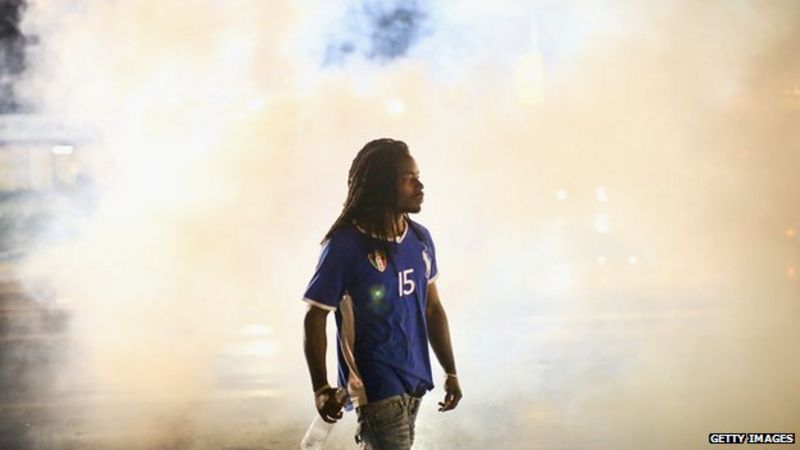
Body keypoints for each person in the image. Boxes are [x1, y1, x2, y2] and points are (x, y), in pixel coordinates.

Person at [302, 138, 462, 449]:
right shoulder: (345, 245)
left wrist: (450, 371)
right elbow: (315, 315)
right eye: (409, 178)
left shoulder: (420, 239)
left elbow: (432, 308)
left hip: (414, 379)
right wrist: (320, 387)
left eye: (418, 176)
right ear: (382, 186)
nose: (420, 186)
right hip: (375, 385)